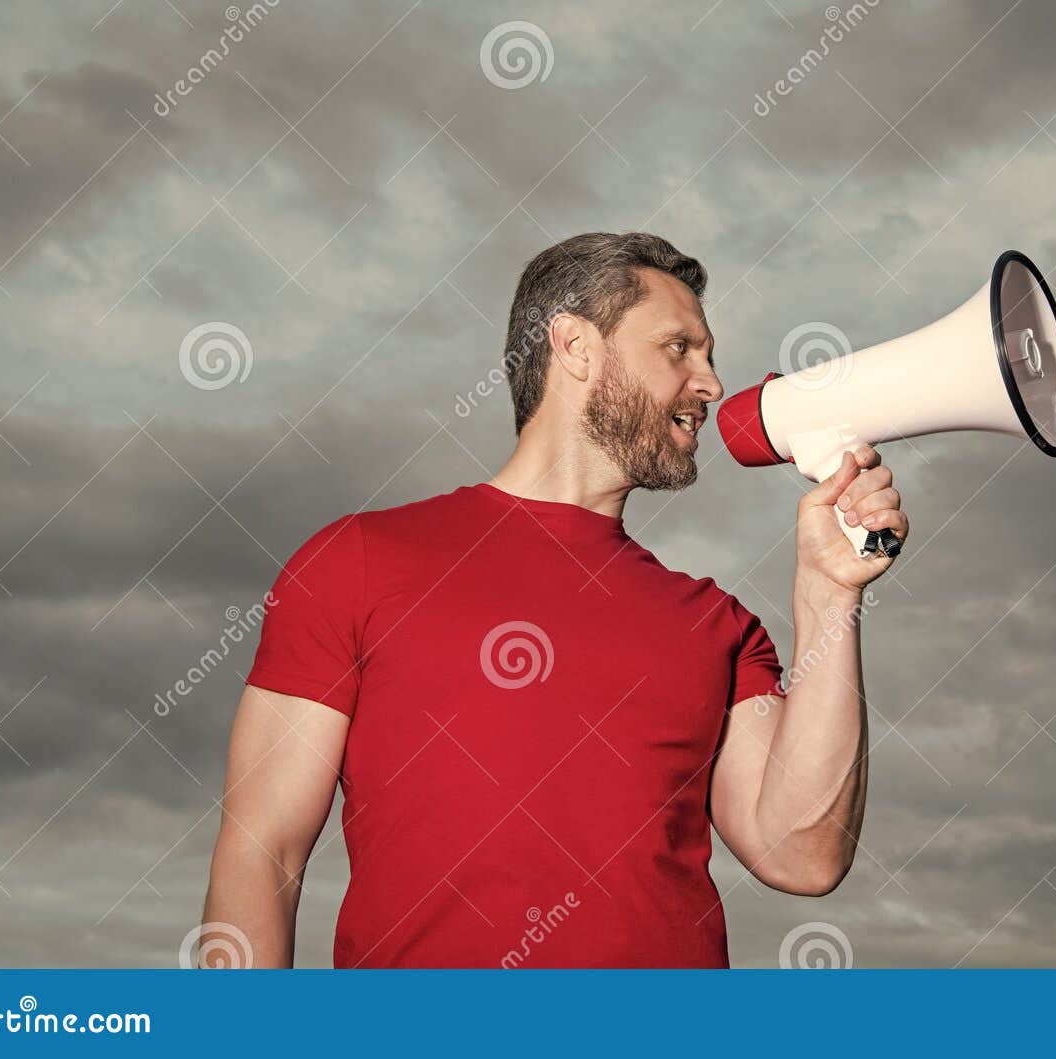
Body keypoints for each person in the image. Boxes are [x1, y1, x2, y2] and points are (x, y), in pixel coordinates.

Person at [200, 231, 909, 967]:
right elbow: (263, 852)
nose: (711, 383)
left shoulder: (716, 625)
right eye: (679, 348)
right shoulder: (358, 561)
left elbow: (804, 854)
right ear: (574, 345)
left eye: (710, 356)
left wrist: (829, 596)